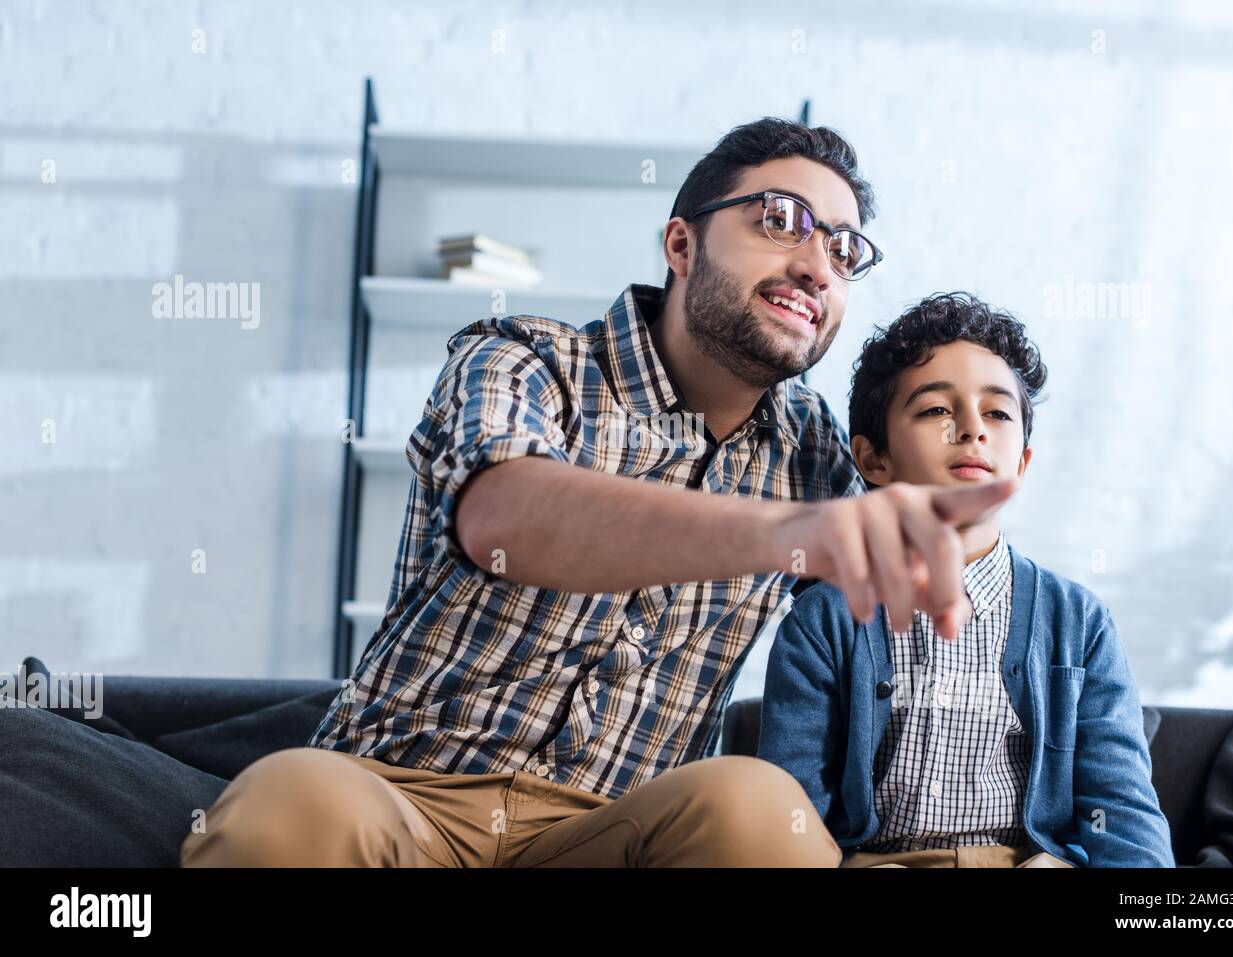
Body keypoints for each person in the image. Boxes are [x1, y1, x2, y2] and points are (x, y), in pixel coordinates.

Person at [181, 120, 1017, 868]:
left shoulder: (816, 455)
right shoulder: (525, 361)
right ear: (681, 244)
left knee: (757, 810)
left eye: (843, 250)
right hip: (399, 797)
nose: (814, 264)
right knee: (292, 803)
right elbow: (503, 514)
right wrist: (790, 530)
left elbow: (896, 605)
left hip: (611, 833)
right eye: (778, 221)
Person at [757, 292, 1175, 868]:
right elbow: (790, 812)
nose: (973, 430)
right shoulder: (825, 620)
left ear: (1021, 463)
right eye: (935, 411)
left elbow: (1123, 812)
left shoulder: (1080, 622)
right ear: (873, 459)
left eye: (998, 413)